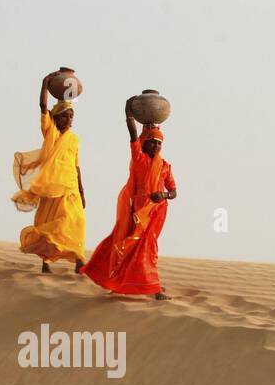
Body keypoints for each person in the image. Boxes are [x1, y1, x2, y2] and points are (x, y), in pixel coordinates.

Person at [81, 101, 177, 300]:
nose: (156, 146)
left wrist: (164, 195)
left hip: (156, 212)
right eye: (153, 142)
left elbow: (174, 191)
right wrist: (129, 116)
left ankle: (152, 287)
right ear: (145, 143)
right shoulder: (139, 159)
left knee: (148, 248)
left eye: (159, 143)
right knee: (130, 246)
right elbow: (133, 136)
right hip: (137, 211)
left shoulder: (166, 166)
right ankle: (139, 285)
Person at [11, 72, 86, 273]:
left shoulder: (74, 139)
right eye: (65, 116)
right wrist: (44, 83)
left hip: (70, 186)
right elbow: (43, 108)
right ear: (57, 118)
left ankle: (79, 259)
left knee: (76, 219)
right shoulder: (50, 131)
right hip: (51, 186)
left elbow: (76, 165)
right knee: (49, 222)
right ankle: (46, 261)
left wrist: (81, 189)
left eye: (72, 116)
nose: (69, 119)